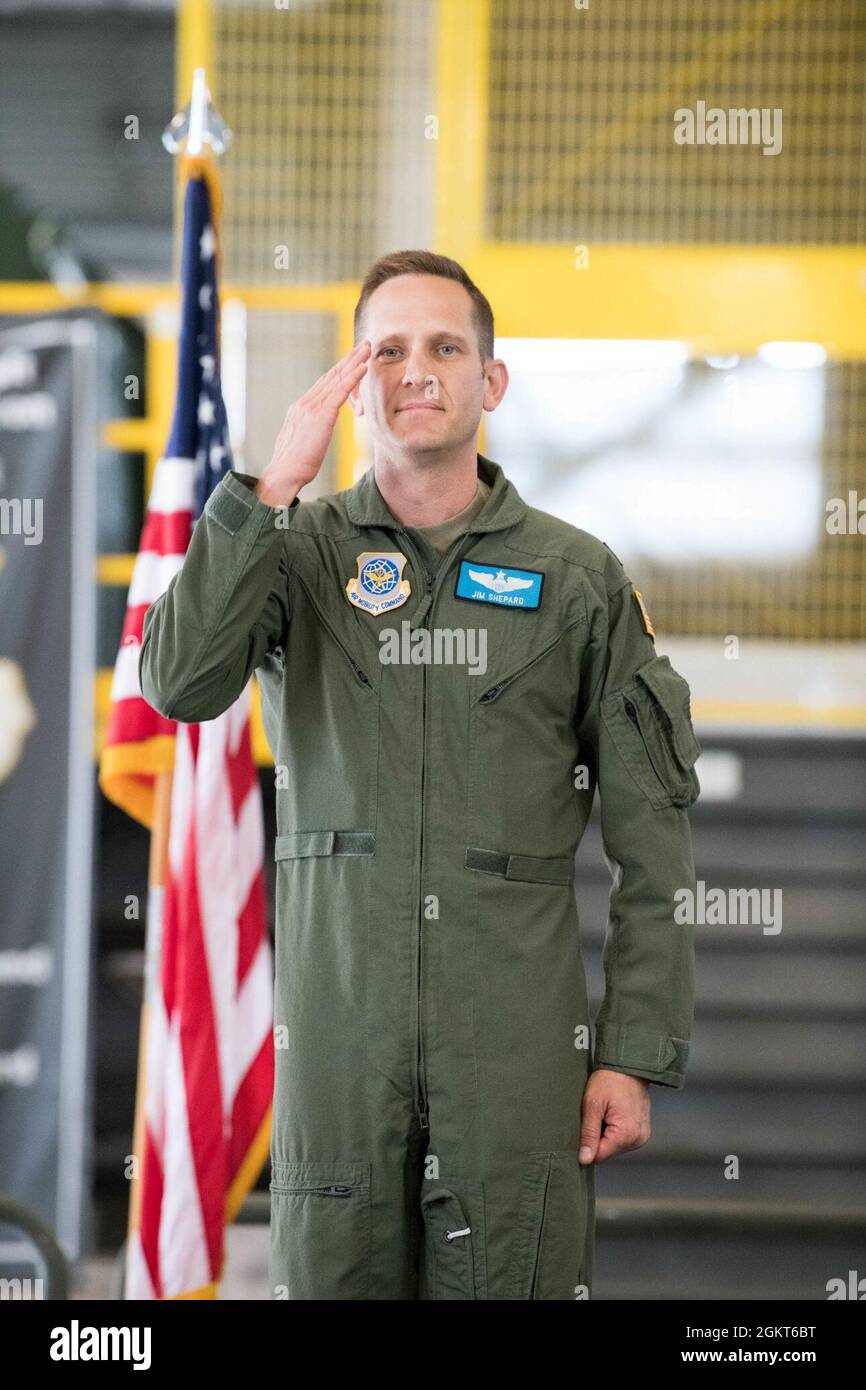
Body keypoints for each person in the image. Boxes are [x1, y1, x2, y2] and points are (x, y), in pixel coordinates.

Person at [139, 249, 700, 1300]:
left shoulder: (572, 580)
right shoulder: (293, 554)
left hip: (517, 1064)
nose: (416, 369)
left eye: (445, 345)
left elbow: (652, 833)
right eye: (386, 348)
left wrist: (629, 1049)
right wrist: (267, 489)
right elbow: (174, 683)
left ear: (490, 381)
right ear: (355, 380)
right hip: (340, 1054)